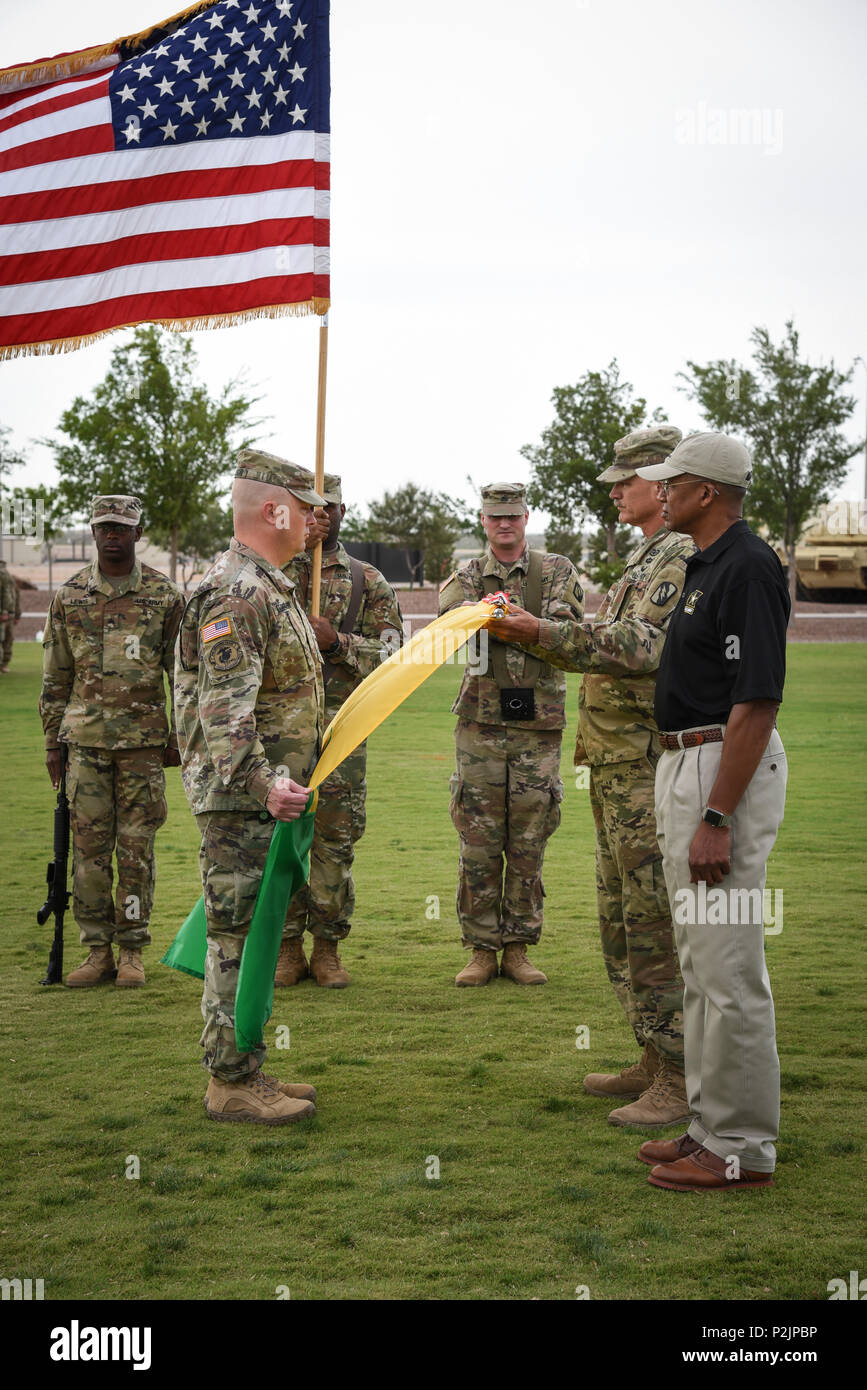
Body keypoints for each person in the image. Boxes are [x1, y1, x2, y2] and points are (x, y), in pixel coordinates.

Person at [493, 427, 694, 1127]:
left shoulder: (679, 553)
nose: (613, 491)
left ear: (663, 483)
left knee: (652, 919)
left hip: (644, 764)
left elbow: (641, 647)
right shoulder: (644, 556)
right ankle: (651, 1051)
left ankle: (678, 1073)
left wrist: (541, 634)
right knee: (620, 918)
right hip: (614, 766)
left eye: (624, 480)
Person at [630, 432, 789, 1191]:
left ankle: (739, 1148)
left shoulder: (750, 566)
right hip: (686, 760)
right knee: (700, 963)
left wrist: (717, 816)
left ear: (708, 492)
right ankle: (707, 1125)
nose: (661, 492)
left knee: (727, 966)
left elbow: (756, 700)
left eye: (673, 481)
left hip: (721, 765)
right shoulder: (707, 563)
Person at [174, 448, 325, 1125]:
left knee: (251, 930)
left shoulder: (267, 583)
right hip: (242, 800)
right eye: (304, 507)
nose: (313, 521)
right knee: (233, 933)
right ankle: (229, 1080)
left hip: (262, 796)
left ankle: (245, 1063)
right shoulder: (237, 589)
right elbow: (224, 712)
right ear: (273, 509)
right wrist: (265, 786)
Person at [439, 482, 584, 986]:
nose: (504, 524)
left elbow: (567, 634)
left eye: (513, 516)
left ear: (526, 517)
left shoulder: (556, 571)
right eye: (495, 516)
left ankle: (518, 947)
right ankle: (481, 949)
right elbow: (450, 628)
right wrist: (498, 618)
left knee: (529, 839)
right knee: (478, 841)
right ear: (483, 520)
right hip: (480, 725)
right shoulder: (466, 575)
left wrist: (512, 620)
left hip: (538, 726)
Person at [39, 496, 184, 988]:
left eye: (122, 527)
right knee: (89, 851)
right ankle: (96, 952)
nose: (113, 535)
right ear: (94, 531)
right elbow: (56, 674)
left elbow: (179, 673)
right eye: (105, 527)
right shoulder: (71, 594)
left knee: (136, 850)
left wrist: (179, 737)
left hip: (143, 746)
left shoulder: (164, 595)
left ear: (138, 533)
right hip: (84, 744)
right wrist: (51, 744)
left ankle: (132, 952)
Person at [277, 473, 403, 988]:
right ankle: (285, 946)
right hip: (280, 733)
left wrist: (339, 644)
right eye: (308, 505)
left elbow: (397, 657)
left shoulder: (365, 580)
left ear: (344, 510)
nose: (320, 513)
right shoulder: (271, 571)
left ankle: (327, 948)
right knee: (280, 837)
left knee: (334, 840)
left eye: (328, 505)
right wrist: (294, 548)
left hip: (341, 733)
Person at [0, 557, 20, 673]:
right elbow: (14, 595)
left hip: (6, 614)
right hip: (8, 613)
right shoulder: (8, 576)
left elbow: (12, 594)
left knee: (6, 639)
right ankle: (3, 664)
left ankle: (3, 664)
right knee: (7, 639)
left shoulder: (5, 576)